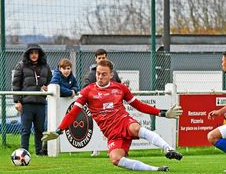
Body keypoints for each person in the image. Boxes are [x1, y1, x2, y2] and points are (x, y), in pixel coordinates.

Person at [42, 60, 183, 172]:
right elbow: (73, 113)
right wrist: (59, 130)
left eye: (104, 74)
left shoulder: (120, 88)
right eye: (98, 73)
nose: (100, 76)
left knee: (135, 128)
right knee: (115, 160)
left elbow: (139, 106)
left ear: (111, 75)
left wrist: (162, 113)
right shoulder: (87, 91)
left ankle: (168, 149)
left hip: (123, 121)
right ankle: (155, 169)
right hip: (111, 133)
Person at [12, 43, 52, 156]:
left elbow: (51, 81)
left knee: (40, 129)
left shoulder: (46, 67)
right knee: (26, 130)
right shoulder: (21, 66)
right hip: (26, 104)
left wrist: (48, 87)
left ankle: (39, 152)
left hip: (40, 103)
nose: (34, 55)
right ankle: (23, 153)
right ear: (28, 54)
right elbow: (16, 85)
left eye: (36, 52)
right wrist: (17, 101)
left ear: (39, 54)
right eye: (32, 53)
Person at [83, 48, 121, 156]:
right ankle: (95, 149)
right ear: (95, 59)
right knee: (97, 128)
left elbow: (119, 86)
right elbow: (85, 89)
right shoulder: (92, 74)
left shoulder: (113, 73)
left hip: (113, 106)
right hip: (98, 107)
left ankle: (118, 148)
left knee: (116, 128)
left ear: (106, 57)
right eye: (99, 58)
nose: (101, 59)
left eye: (103, 57)